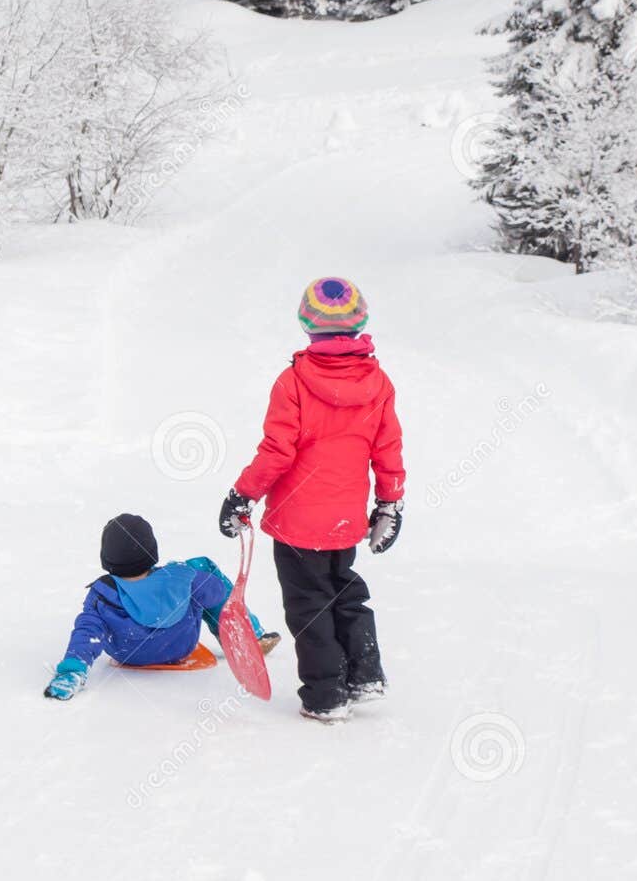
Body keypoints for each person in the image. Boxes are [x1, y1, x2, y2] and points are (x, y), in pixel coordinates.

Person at [219, 277, 405, 723]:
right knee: (345, 592)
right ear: (360, 324)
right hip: (344, 521)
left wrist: (242, 494)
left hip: (297, 522)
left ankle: (326, 696)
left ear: (307, 325)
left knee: (308, 606)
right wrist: (389, 503)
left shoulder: (293, 382)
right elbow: (388, 449)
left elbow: (277, 451)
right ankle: (363, 675)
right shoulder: (378, 383)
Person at [44, 512, 279, 699]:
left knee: (197, 582)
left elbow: (88, 632)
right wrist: (190, 577)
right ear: (152, 553)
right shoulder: (182, 579)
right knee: (203, 570)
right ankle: (249, 636)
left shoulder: (101, 594)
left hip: (128, 654)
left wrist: (72, 670)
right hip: (179, 648)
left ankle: (247, 634)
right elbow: (217, 592)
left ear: (106, 559)